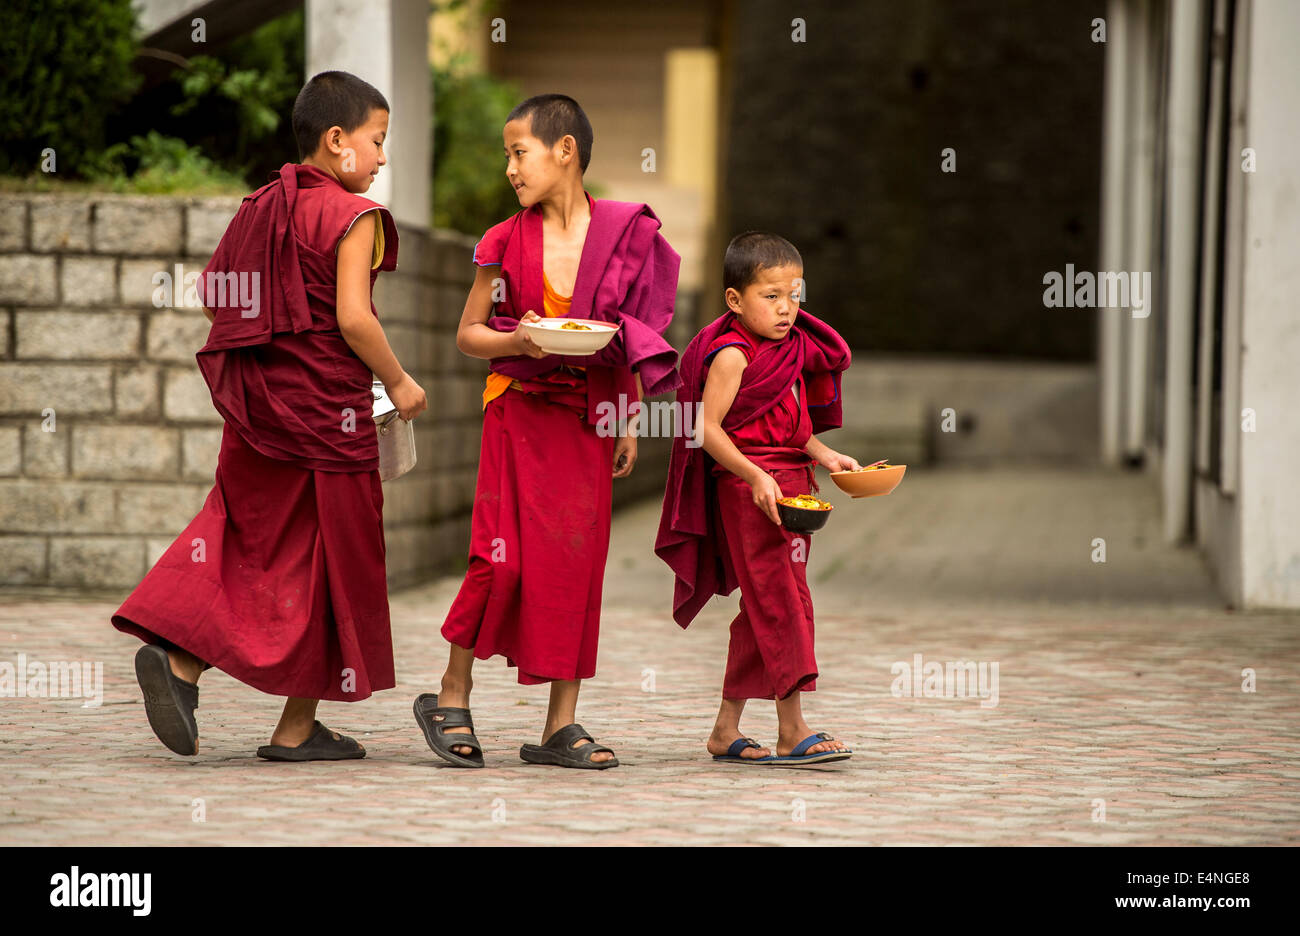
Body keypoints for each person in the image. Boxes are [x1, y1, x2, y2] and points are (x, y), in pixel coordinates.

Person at [111, 71, 427, 761]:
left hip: (261, 412)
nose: (380, 158)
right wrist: (400, 382)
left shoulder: (262, 205)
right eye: (377, 142)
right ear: (336, 140)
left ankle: (182, 661)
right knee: (334, 562)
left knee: (240, 540)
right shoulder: (355, 217)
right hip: (329, 418)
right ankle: (294, 727)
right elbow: (353, 318)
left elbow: (216, 297)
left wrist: (275, 358)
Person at [414, 93, 680, 770]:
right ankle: (452, 693)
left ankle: (560, 724)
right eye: (508, 154)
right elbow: (471, 335)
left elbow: (630, 336)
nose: (510, 167)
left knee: (575, 563)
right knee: (497, 558)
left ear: (565, 152)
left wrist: (626, 416)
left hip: (587, 416)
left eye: (518, 151)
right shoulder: (504, 239)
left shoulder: (627, 234)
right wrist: (522, 344)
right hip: (518, 407)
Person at [655, 231, 858, 766]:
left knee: (763, 606)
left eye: (794, 294)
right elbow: (709, 430)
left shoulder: (787, 351)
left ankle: (726, 730)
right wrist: (753, 476)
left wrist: (826, 456)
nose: (787, 308)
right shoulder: (732, 356)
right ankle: (793, 730)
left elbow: (791, 427)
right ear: (734, 300)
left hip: (791, 486)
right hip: (749, 492)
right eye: (771, 296)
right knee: (781, 603)